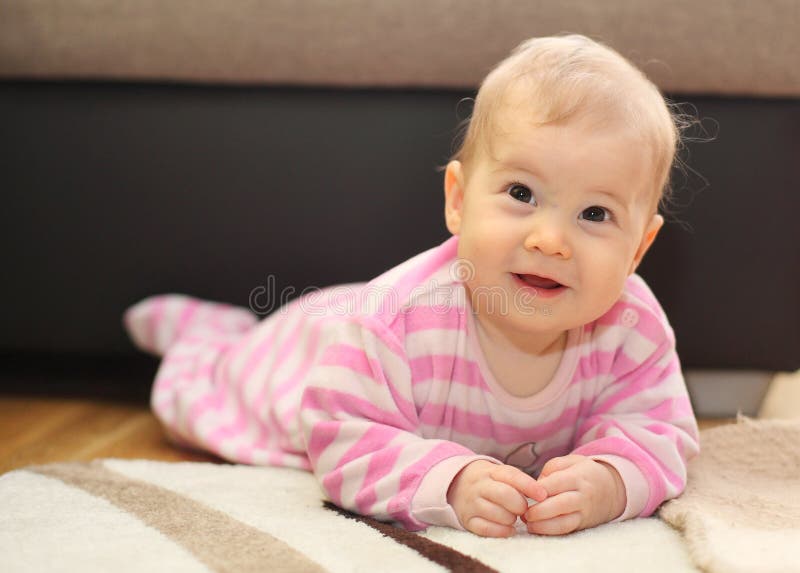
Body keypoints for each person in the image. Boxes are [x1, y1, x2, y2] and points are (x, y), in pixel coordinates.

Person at [124, 34, 700, 538]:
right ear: (457, 199)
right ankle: (202, 337)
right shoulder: (390, 327)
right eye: (522, 194)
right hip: (314, 349)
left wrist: (610, 481)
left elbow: (661, 431)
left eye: (595, 214)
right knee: (213, 387)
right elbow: (344, 439)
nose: (551, 240)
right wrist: (445, 482)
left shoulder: (632, 328)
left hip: (354, 320)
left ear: (639, 250)